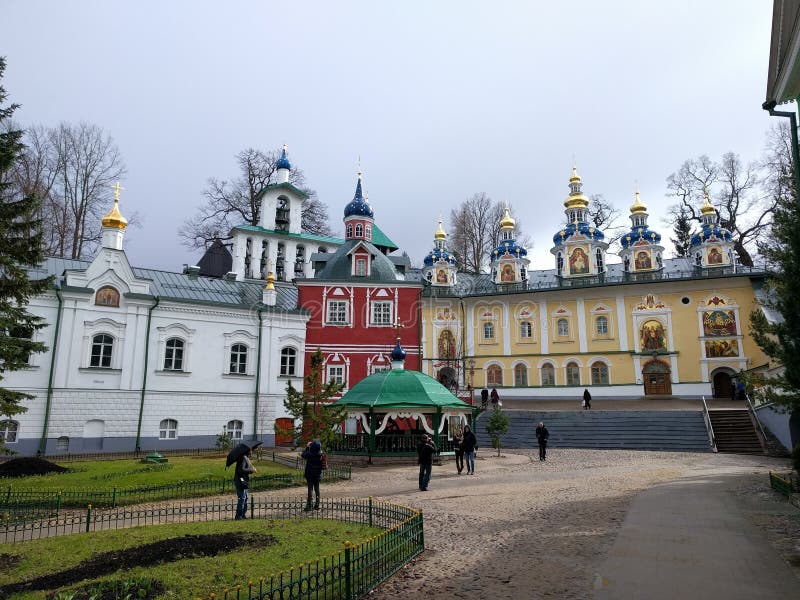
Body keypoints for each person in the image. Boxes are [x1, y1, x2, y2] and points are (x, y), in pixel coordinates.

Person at [301, 440, 324, 511]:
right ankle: (317, 505)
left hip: (310, 475)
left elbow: (303, 455)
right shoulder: (320, 454)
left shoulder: (309, 454)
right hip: (317, 475)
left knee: (310, 489)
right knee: (317, 489)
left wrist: (307, 447)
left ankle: (309, 505)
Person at [234, 448, 256, 519]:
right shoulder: (243, 458)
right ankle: (239, 515)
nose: (252, 451)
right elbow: (242, 470)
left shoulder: (246, 458)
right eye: (251, 450)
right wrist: (252, 470)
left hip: (244, 480)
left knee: (245, 497)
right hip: (240, 480)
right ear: (248, 451)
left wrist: (251, 469)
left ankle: (243, 515)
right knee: (242, 498)